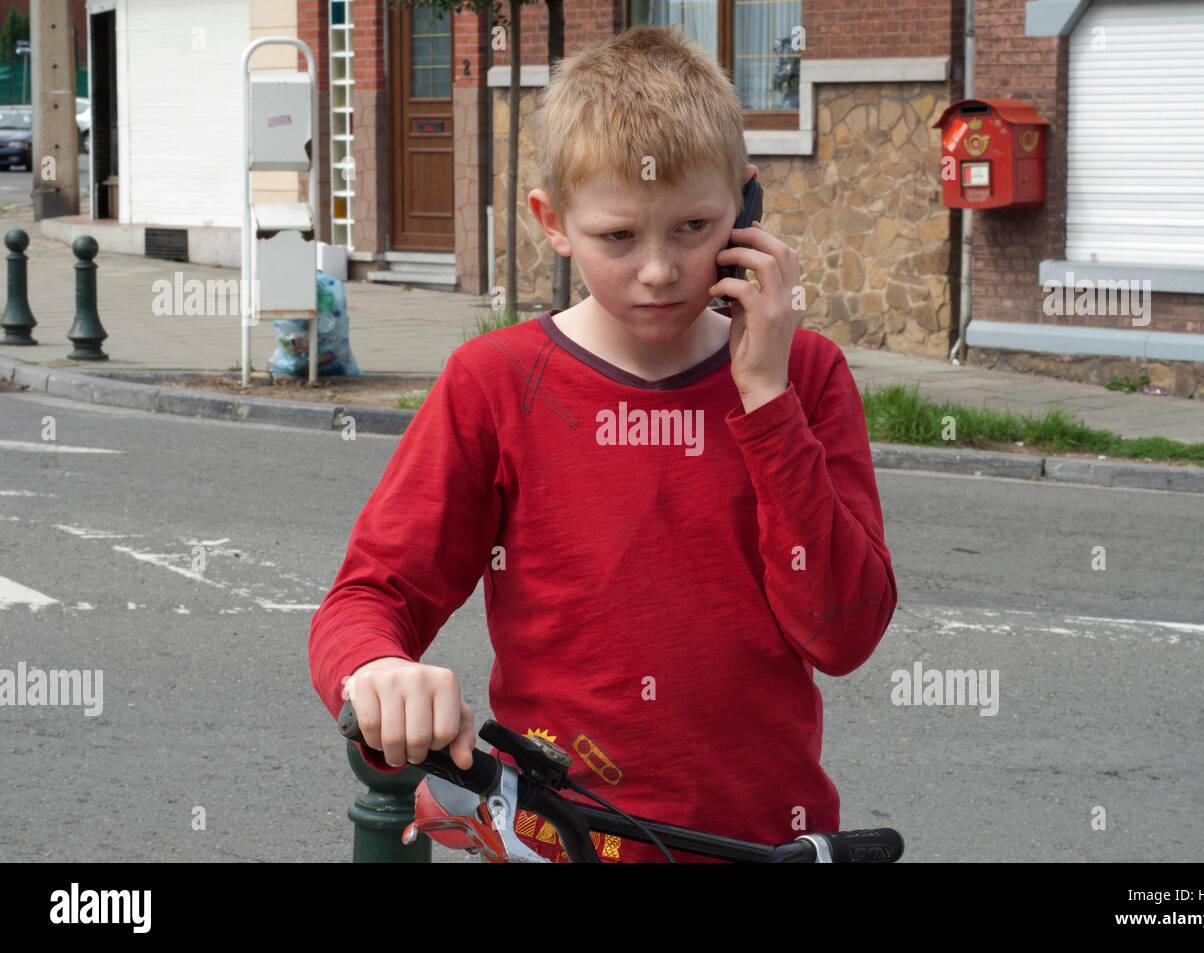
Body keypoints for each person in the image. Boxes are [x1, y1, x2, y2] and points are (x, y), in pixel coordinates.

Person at [309, 24, 898, 863]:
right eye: (618, 238)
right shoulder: (494, 381)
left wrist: (766, 398)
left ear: (748, 207)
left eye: (694, 226)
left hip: (765, 843)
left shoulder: (806, 374)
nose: (658, 270)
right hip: (566, 842)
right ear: (553, 221)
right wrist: (375, 672)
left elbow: (843, 634)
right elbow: (367, 596)